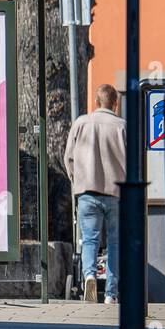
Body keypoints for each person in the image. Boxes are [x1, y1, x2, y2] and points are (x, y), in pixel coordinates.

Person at [63, 84, 126, 304]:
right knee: (115, 243)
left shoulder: (81, 123)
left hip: (87, 191)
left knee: (89, 239)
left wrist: (76, 180)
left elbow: (68, 157)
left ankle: (89, 275)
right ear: (115, 103)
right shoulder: (121, 126)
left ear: (96, 103)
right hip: (116, 192)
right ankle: (111, 293)